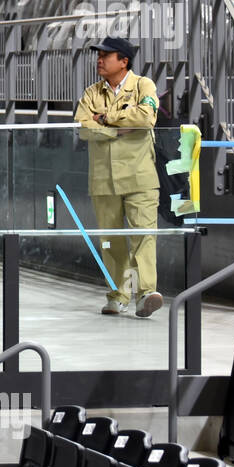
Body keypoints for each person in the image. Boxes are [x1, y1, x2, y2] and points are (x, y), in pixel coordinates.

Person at [75, 36, 163, 318]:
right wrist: (117, 128)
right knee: (111, 240)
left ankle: (146, 293)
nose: (99, 60)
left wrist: (104, 118)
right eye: (98, 55)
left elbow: (147, 118)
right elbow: (83, 128)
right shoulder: (91, 93)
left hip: (140, 176)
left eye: (106, 55)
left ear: (124, 61)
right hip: (103, 179)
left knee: (142, 235)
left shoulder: (143, 86)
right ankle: (118, 294)